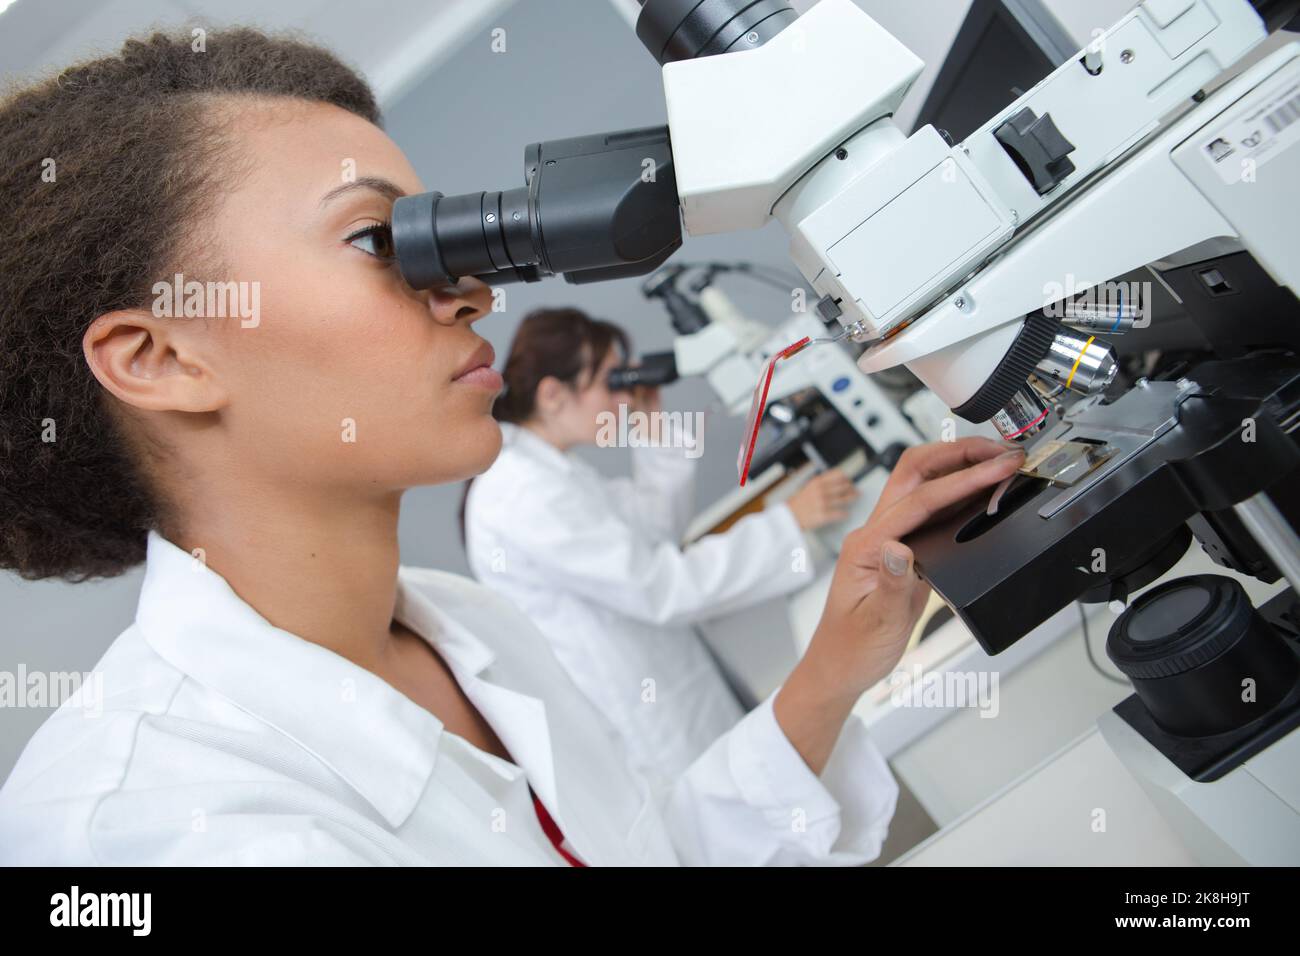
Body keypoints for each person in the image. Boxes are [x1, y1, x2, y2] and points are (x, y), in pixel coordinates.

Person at [0, 29, 1025, 865]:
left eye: (433, 229)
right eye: (375, 239)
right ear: (161, 355)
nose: (474, 288)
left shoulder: (472, 630)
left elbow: (658, 854)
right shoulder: (145, 826)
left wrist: (840, 655)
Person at [464, 307, 861, 786]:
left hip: (671, 688)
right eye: (612, 380)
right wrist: (787, 525)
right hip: (650, 727)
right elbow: (662, 587)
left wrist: (650, 428)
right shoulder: (523, 490)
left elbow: (652, 535)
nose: (622, 394)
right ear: (553, 394)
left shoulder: (552, 473)